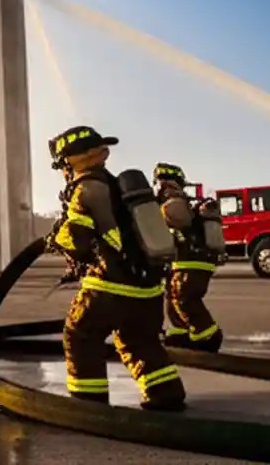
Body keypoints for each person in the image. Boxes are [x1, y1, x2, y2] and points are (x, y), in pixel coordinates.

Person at [46, 125, 186, 411]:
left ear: (71, 160)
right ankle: (165, 393)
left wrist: (55, 238)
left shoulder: (85, 186)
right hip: (147, 288)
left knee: (80, 334)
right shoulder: (121, 189)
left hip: (109, 286)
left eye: (61, 165)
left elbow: (78, 241)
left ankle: (89, 404)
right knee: (140, 342)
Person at [154, 163, 224, 353]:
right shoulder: (185, 201)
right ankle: (180, 334)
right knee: (173, 297)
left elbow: (178, 219)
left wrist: (157, 210)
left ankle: (208, 336)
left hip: (191, 261)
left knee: (184, 298)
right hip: (188, 260)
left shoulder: (174, 200)